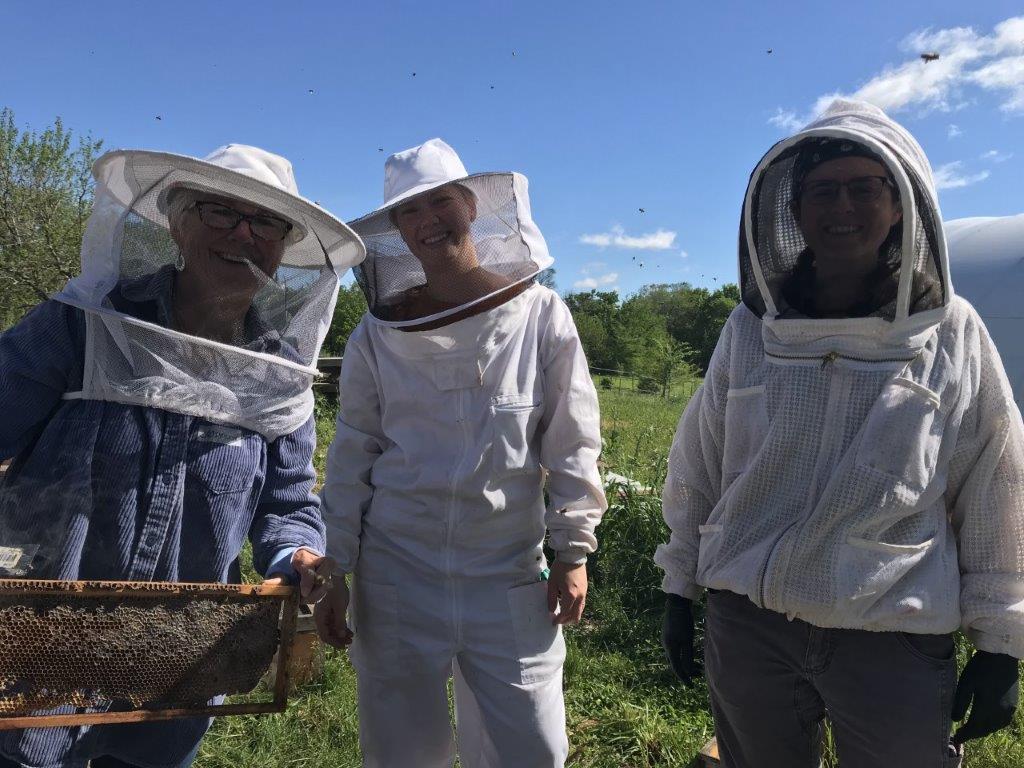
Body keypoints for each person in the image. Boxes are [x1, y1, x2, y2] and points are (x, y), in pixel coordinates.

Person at [656, 99, 1023, 768]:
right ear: (794, 213)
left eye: (864, 186)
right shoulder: (751, 329)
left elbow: (996, 483)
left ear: (901, 204)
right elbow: (699, 462)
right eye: (822, 190)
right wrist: (678, 583)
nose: (842, 204)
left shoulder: (952, 332)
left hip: (891, 632)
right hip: (750, 624)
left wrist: (1001, 642)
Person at [0, 144, 365, 768]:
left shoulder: (279, 374)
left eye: (266, 223)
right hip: (38, 656)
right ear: (177, 222)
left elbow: (285, 504)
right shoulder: (86, 323)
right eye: (220, 212)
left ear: (283, 247)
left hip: (175, 670)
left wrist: (297, 556)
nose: (244, 234)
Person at [315, 138, 606, 767]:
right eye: (409, 213)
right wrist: (336, 561)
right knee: (402, 752)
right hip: (396, 570)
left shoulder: (541, 313)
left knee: (532, 748)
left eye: (440, 202)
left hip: (508, 569)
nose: (427, 222)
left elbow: (573, 438)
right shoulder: (376, 332)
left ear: (471, 206)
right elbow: (353, 451)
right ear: (395, 230)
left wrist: (573, 550)